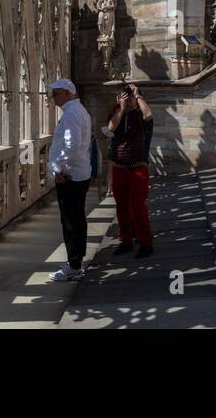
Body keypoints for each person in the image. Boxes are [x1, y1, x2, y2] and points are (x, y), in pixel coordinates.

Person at [46, 78, 92, 282]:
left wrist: (60, 169)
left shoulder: (72, 113)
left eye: (55, 93)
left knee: (71, 221)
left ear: (66, 93)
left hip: (70, 175)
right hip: (78, 173)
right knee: (76, 219)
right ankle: (75, 261)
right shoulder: (77, 111)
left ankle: (74, 267)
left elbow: (72, 146)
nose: (52, 97)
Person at [101, 83, 154, 258]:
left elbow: (149, 115)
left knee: (137, 206)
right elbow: (110, 129)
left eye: (129, 95)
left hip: (137, 168)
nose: (127, 98)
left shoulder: (139, 115)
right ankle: (126, 241)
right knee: (121, 207)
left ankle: (146, 243)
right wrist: (121, 108)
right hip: (119, 169)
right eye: (124, 95)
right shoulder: (116, 115)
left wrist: (138, 97)